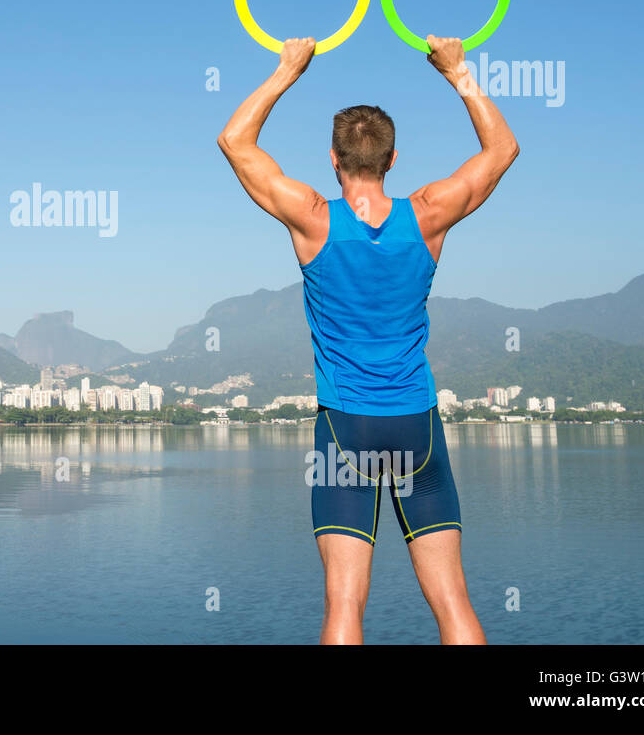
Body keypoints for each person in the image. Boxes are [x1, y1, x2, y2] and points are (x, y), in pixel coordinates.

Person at [216, 35, 519, 644]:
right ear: (393, 159)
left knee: (345, 605)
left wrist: (287, 70)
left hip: (344, 428)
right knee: (453, 601)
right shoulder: (430, 213)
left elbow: (234, 141)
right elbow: (503, 148)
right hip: (415, 422)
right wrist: (459, 73)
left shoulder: (312, 216)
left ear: (333, 159)